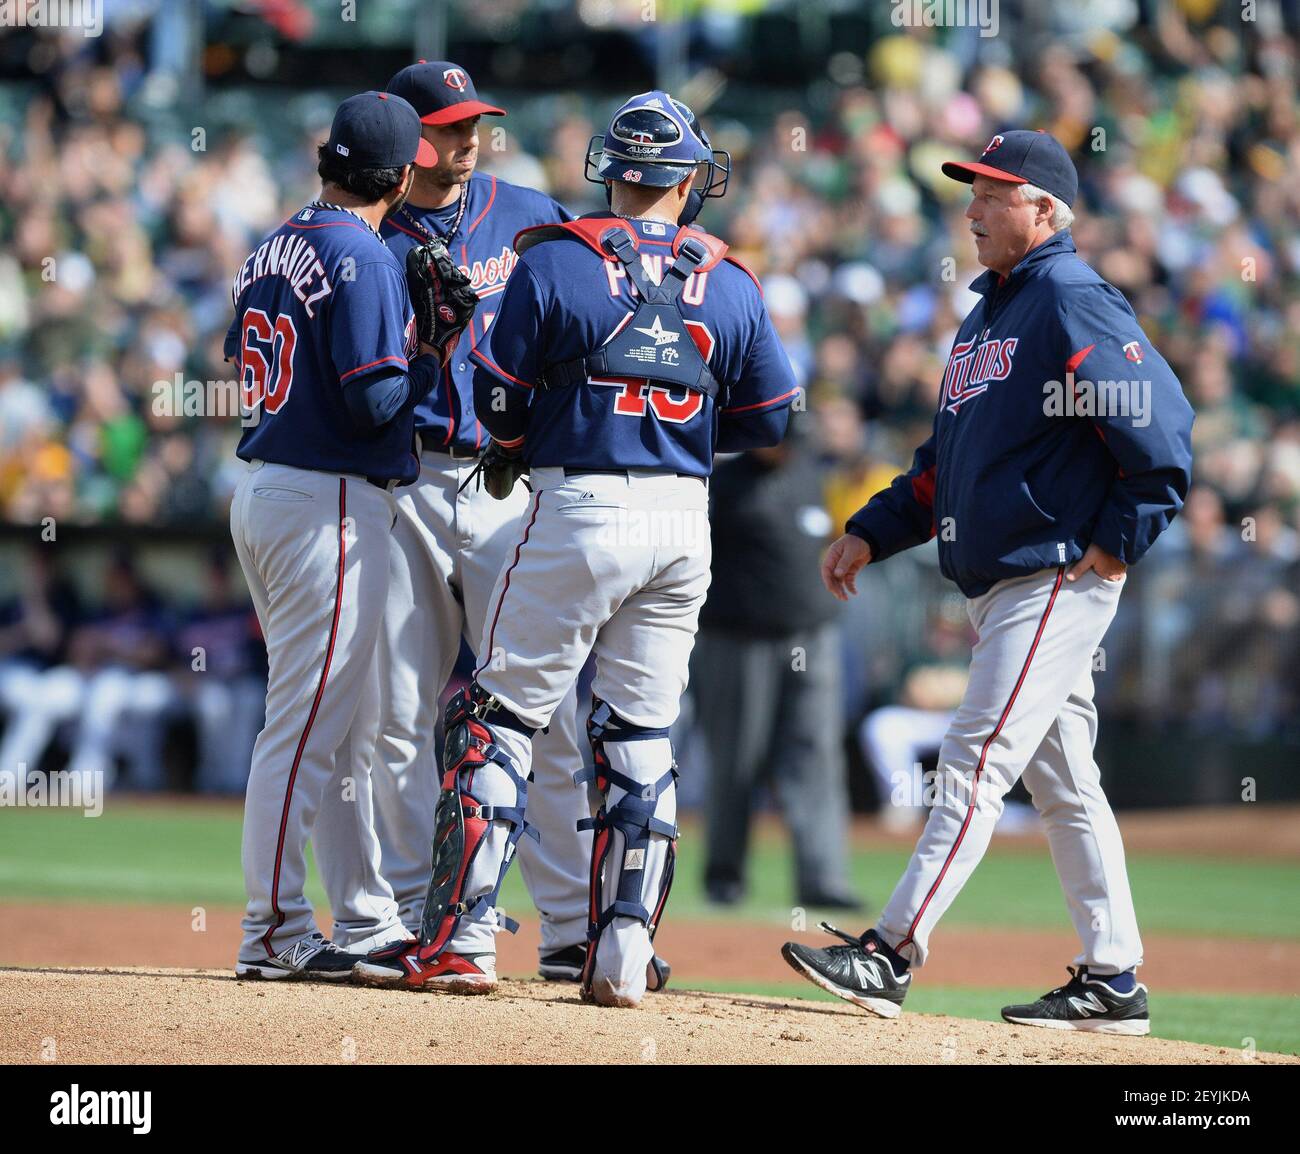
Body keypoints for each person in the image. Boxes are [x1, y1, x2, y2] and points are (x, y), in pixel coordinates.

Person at [355, 91, 798, 1007]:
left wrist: (555, 427)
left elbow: (500, 396)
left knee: (496, 717)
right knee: (638, 732)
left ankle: (461, 941)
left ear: (611, 170)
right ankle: (619, 952)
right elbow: (769, 419)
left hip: (577, 503)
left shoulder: (555, 261)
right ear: (686, 179)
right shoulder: (734, 275)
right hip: (683, 518)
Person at [782, 130, 1193, 1035]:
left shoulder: (1070, 298)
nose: (971, 208)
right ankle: (1113, 978)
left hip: (1052, 572)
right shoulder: (988, 318)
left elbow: (1160, 436)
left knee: (972, 762)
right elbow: (946, 466)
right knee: (1064, 784)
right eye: (972, 191)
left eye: (992, 193)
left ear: (1044, 208)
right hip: (1004, 579)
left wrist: (1120, 542)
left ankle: (889, 952)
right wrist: (873, 531)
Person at [313, 61, 595, 980]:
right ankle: (408, 917)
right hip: (409, 477)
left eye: (475, 122)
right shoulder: (364, 231)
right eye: (446, 125)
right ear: (405, 135)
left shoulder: (530, 216)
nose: (467, 138)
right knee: (395, 713)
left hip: (512, 480)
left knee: (539, 708)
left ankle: (566, 927)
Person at [229, 91, 447, 980]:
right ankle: (273, 929)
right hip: (330, 497)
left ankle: (361, 917)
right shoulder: (359, 251)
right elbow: (373, 404)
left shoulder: (270, 245)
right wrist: (434, 340)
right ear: (400, 175)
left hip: (272, 485)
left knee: (343, 721)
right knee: (308, 722)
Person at [691, 420, 860, 910]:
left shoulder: (809, 474)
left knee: (817, 756)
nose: (788, 449)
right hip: (737, 640)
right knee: (736, 758)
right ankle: (724, 878)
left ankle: (823, 881)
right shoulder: (725, 483)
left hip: (811, 636)